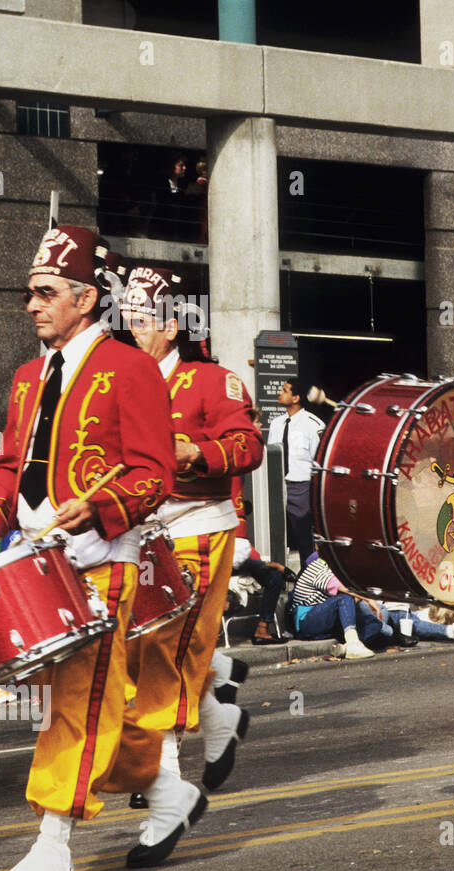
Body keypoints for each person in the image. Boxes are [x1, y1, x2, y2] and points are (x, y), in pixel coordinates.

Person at [0, 225, 186, 871]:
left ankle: (53, 842)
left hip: (101, 558)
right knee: (79, 704)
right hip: (36, 564)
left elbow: (154, 473)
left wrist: (99, 506)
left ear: (84, 298)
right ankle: (168, 789)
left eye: (44, 293)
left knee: (76, 702)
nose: (30, 305)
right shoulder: (29, 378)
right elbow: (8, 468)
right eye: (30, 293)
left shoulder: (131, 367)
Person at [119, 263, 263, 795]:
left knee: (167, 647)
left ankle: (163, 772)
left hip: (197, 526)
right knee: (136, 648)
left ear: (173, 325)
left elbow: (249, 446)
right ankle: (217, 718)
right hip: (135, 535)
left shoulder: (209, 380)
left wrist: (195, 453)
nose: (134, 329)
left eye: (144, 320)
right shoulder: (120, 385)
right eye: (129, 319)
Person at [290, 552, 406, 658]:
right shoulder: (317, 566)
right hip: (306, 622)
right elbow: (344, 591)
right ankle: (352, 644)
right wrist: (369, 600)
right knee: (344, 596)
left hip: (328, 623)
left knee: (373, 623)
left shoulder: (334, 570)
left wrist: (362, 600)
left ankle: (344, 647)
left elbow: (347, 604)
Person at [267, 377, 324, 570]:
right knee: (275, 540)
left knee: (304, 541)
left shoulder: (313, 424)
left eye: (284, 390)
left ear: (296, 397)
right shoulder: (276, 423)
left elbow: (320, 462)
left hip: (301, 488)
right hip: (277, 487)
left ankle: (309, 581)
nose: (279, 393)